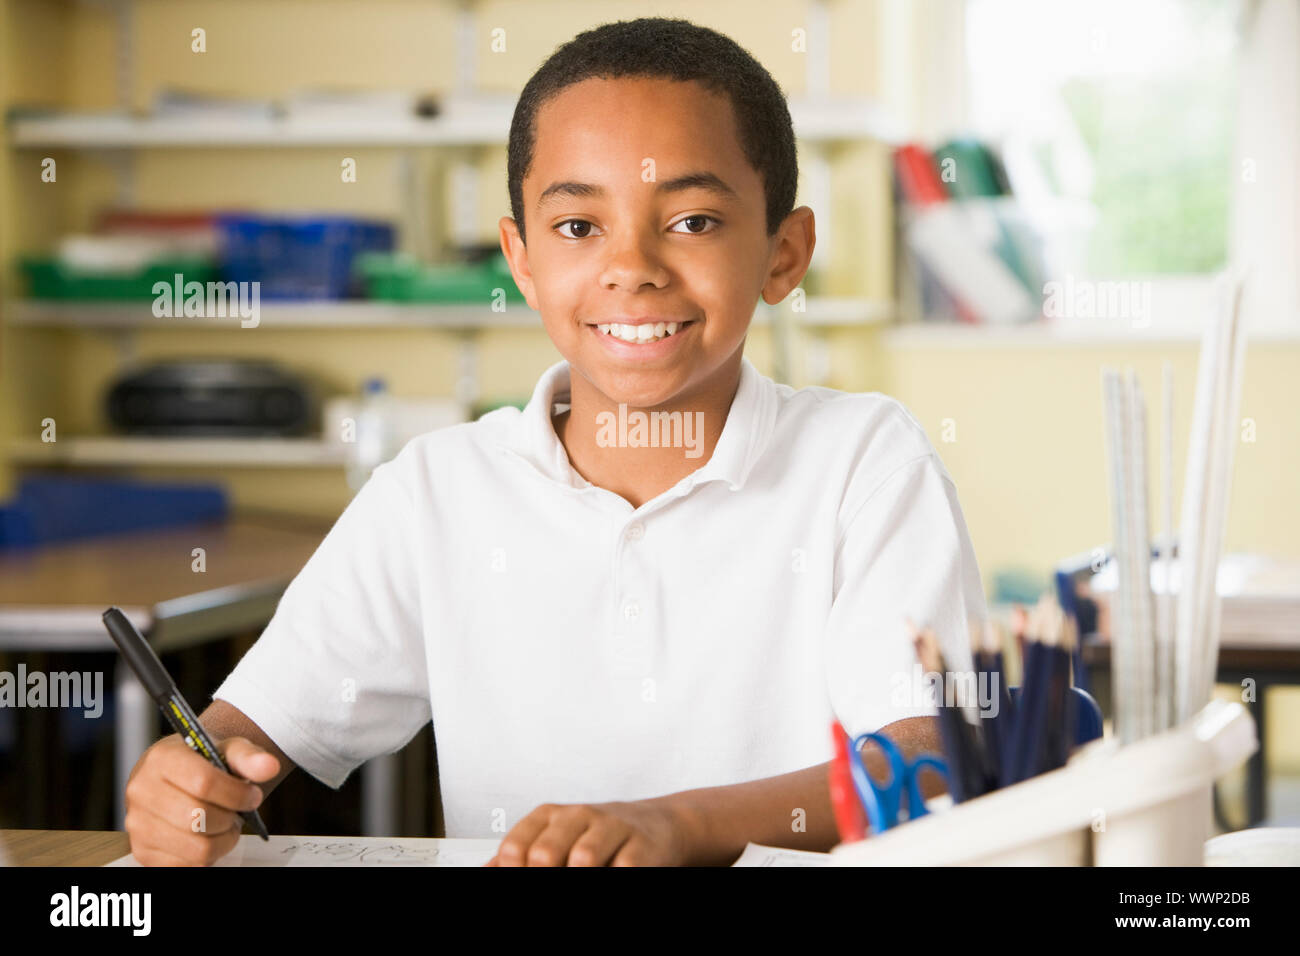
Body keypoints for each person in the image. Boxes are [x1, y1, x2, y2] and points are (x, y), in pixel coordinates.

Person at [123, 17, 986, 867]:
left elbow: (930, 760)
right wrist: (188, 781)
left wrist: (677, 827)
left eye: (692, 221)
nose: (632, 267)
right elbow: (252, 729)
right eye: (578, 228)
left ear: (783, 253)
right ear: (522, 259)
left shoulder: (864, 462)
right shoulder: (436, 490)